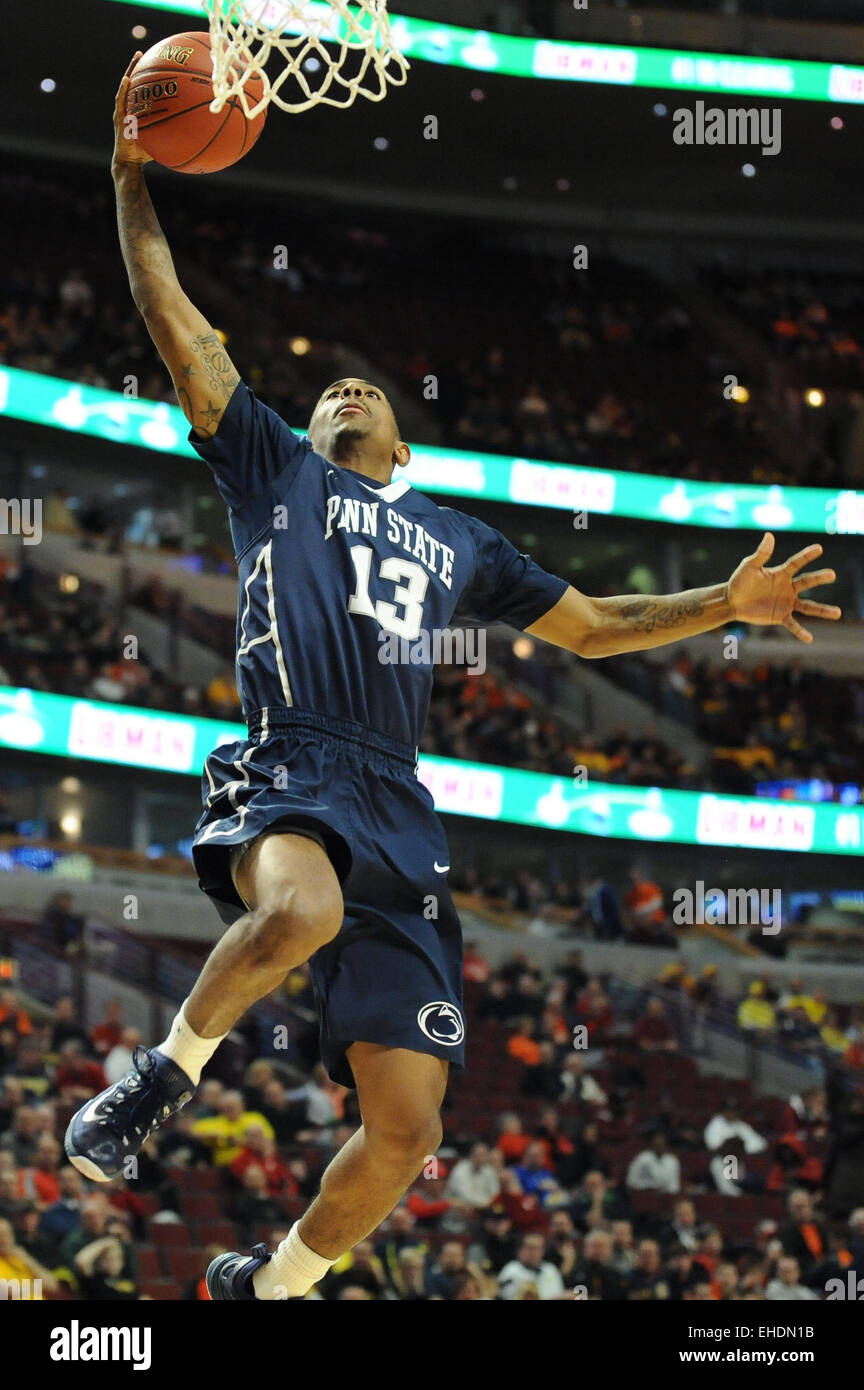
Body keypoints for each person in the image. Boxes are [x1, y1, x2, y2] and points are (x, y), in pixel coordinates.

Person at [65, 53, 843, 1306]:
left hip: (402, 812)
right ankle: (156, 1079)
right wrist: (129, 180)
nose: (344, 390)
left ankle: (266, 1290)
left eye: (363, 389)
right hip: (298, 760)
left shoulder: (459, 536)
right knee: (302, 912)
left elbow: (591, 627)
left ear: (406, 446)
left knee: (410, 1131)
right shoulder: (272, 467)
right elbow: (177, 322)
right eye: (329, 391)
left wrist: (726, 604)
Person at [498, 1231, 566, 1300]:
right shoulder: (511, 1269)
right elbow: (502, 1294)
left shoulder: (550, 1269)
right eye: (530, 1248)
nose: (534, 1253)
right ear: (520, 1250)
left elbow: (559, 1294)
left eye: (538, 1248)